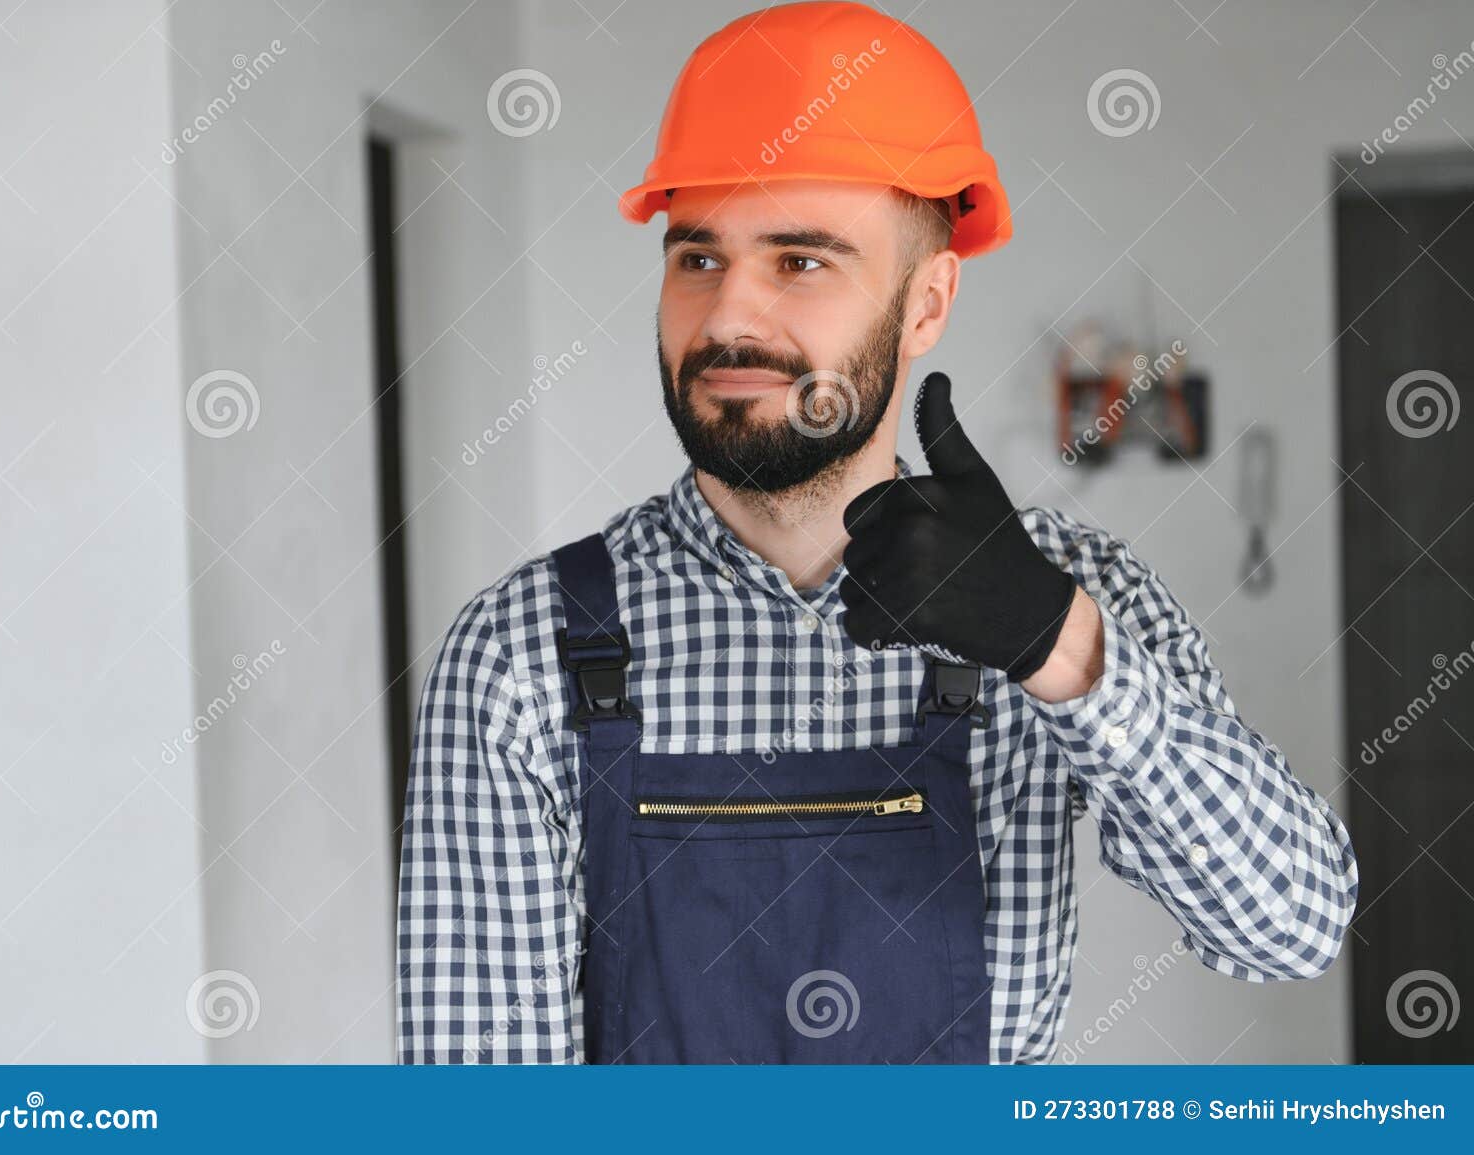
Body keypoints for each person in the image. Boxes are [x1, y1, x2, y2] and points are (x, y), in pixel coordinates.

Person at [397, 0, 1357, 1064]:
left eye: (800, 262)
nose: (727, 319)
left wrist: (1058, 651)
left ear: (925, 303)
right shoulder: (523, 652)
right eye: (697, 259)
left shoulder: (1071, 593)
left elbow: (1291, 927)